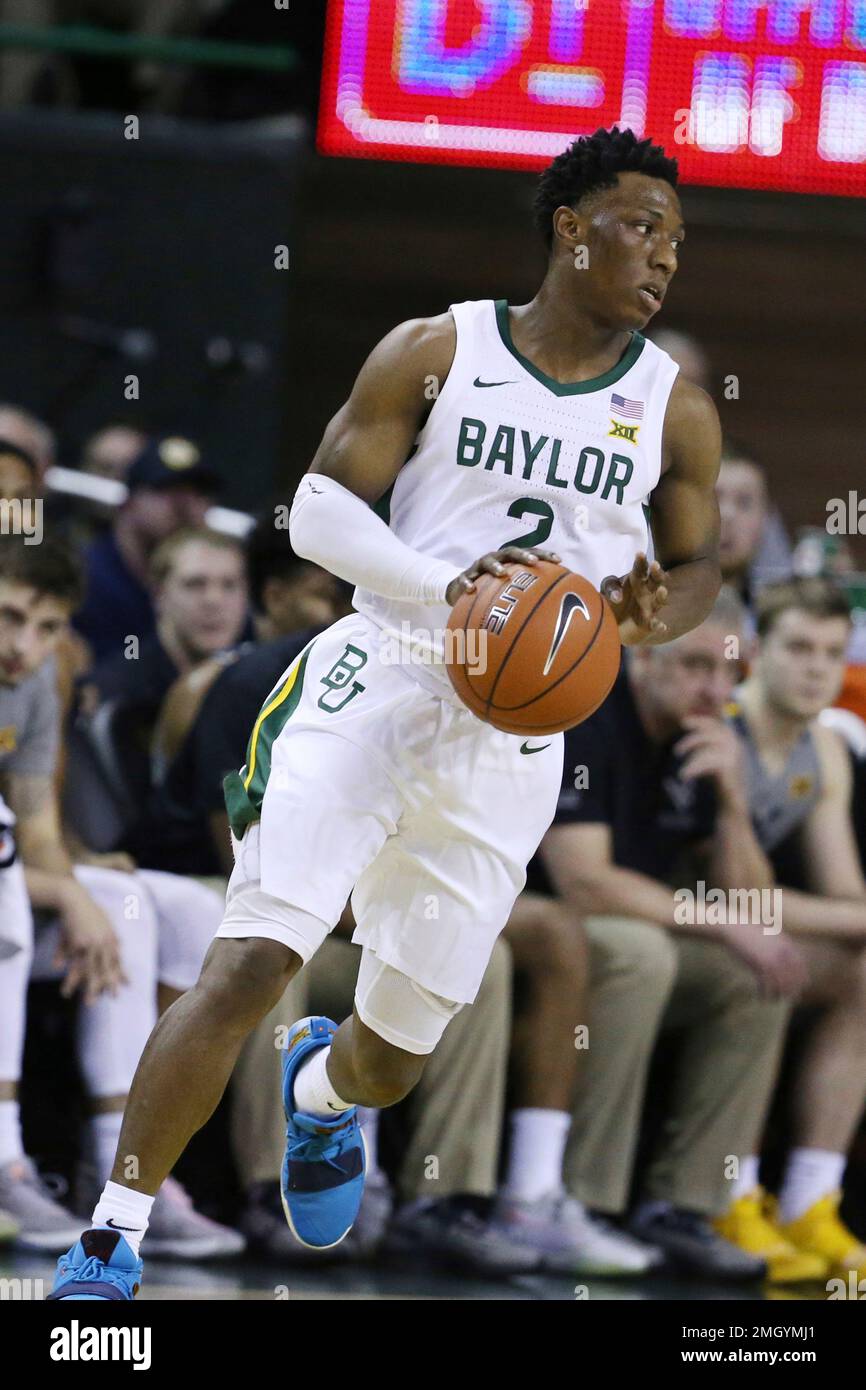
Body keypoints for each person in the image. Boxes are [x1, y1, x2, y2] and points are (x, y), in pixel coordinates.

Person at [50, 125, 724, 1299]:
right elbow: (315, 512)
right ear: (568, 231)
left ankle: (320, 1095)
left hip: (512, 742)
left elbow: (699, 565)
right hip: (384, 674)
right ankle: (111, 1235)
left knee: (393, 1059)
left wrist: (650, 612)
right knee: (253, 955)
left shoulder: (675, 408)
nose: (662, 255)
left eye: (675, 238)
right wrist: (445, 590)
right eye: (638, 226)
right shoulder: (436, 348)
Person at [537, 589, 806, 1282]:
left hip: (637, 928)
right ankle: (579, 1200)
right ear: (641, 658)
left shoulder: (711, 737)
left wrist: (734, 807)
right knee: (643, 955)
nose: (714, 689)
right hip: (541, 931)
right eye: (694, 667)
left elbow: (756, 908)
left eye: (728, 673)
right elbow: (585, 883)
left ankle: (683, 1205)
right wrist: (723, 924)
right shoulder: (587, 714)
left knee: (759, 972)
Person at [714, 578, 866, 1283]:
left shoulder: (826, 750)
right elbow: (737, 897)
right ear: (754, 652)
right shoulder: (720, 723)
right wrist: (787, 912)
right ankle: (729, 1192)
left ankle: (810, 1198)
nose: (816, 669)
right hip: (684, 916)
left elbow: (846, 898)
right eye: (799, 648)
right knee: (767, 959)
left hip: (748, 926)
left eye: (832, 654)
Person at [73, 435, 220, 661]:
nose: (185, 506)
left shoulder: (218, 585)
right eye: (167, 489)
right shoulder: (84, 577)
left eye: (198, 492)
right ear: (129, 500)